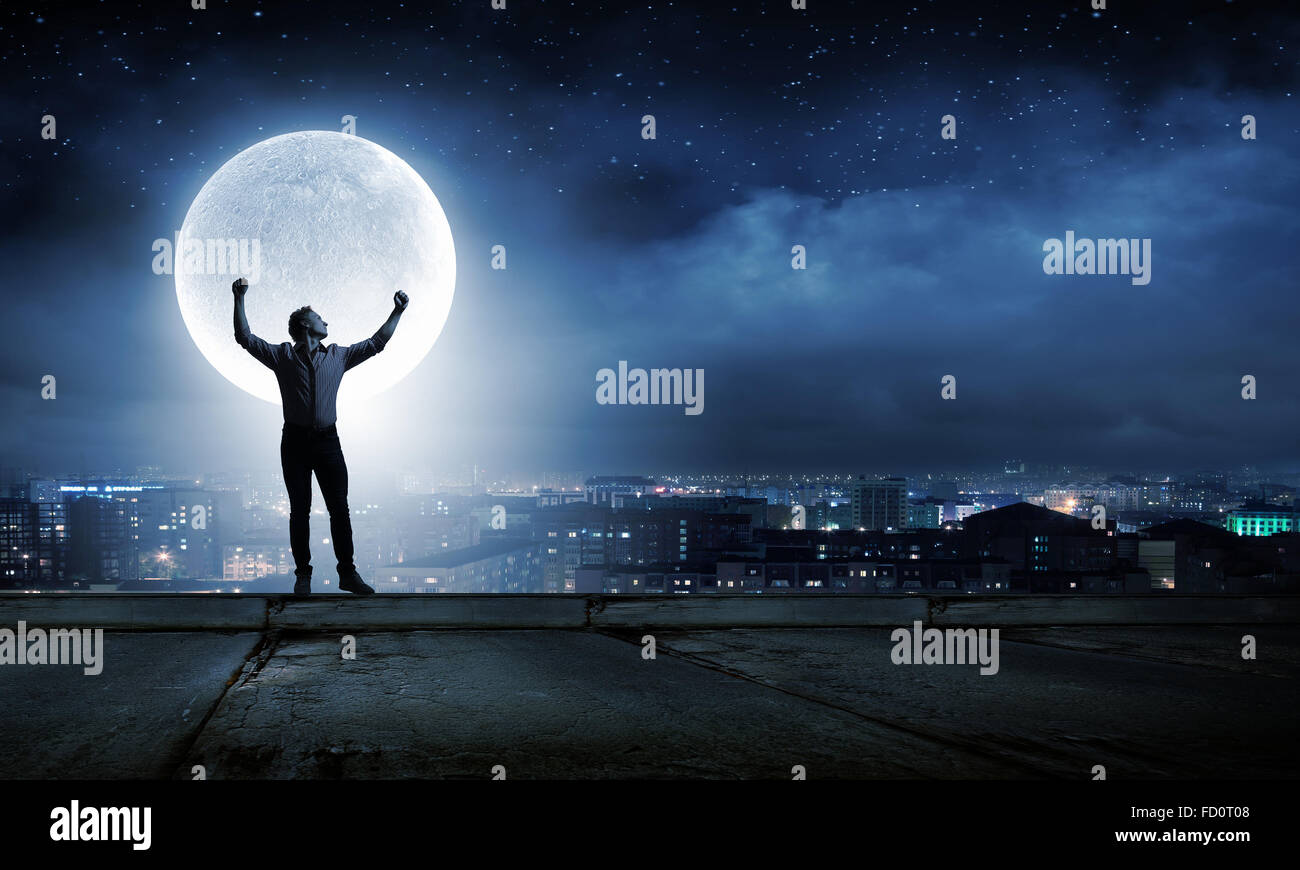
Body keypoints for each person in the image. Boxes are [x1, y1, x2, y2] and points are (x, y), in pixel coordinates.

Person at [231, 276, 409, 595]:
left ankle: (348, 574)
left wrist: (397, 312)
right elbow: (244, 337)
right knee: (300, 510)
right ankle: (303, 575)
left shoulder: (338, 356)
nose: (325, 321)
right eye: (318, 318)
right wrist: (239, 297)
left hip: (328, 442)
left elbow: (376, 344)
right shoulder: (283, 355)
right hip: (295, 443)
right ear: (304, 325)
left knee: (339, 508)